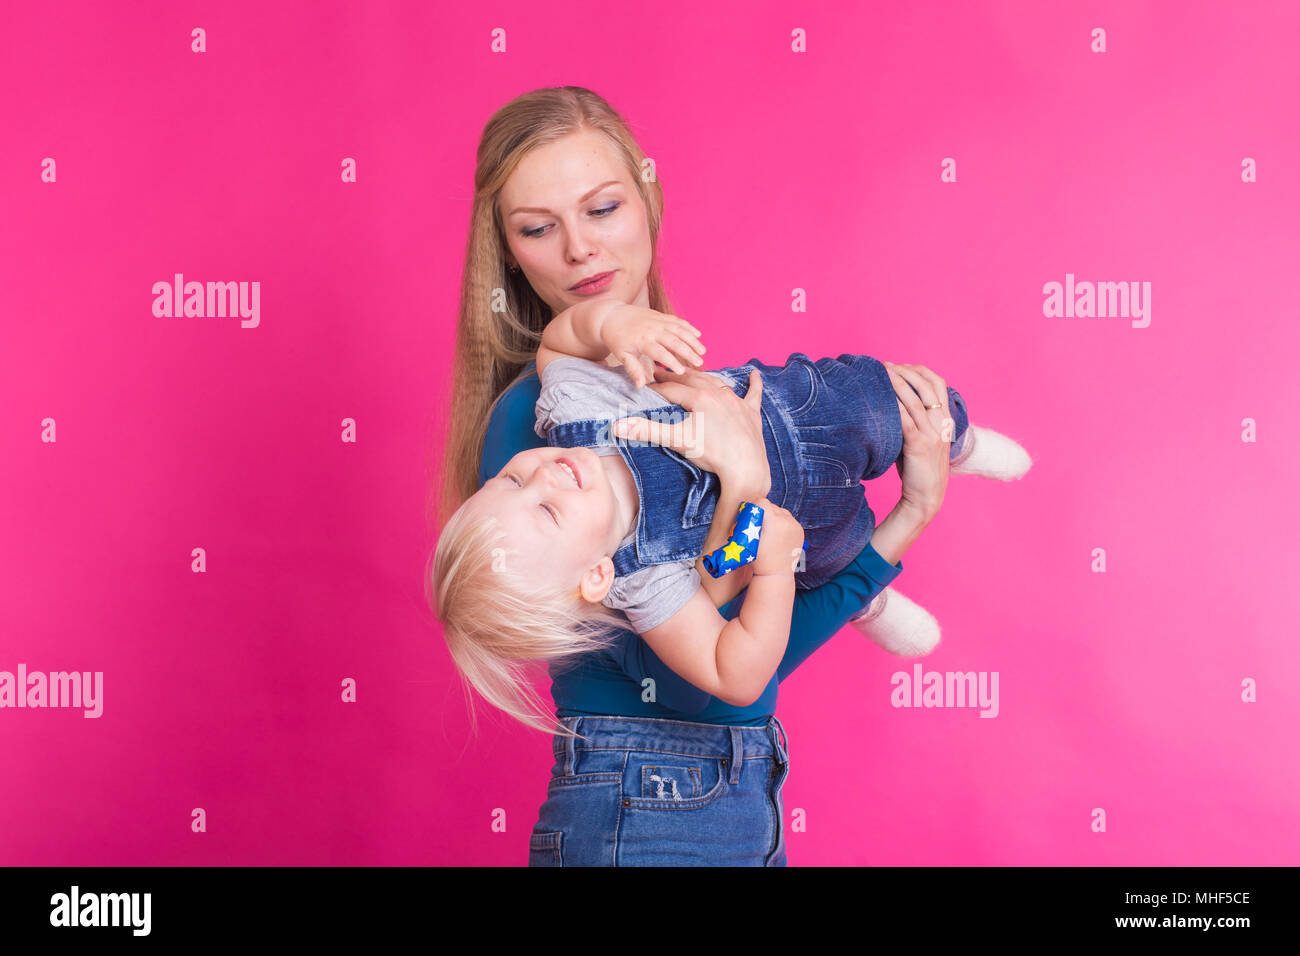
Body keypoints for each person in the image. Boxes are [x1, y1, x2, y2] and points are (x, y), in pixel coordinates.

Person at [430, 85, 989, 865]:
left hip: (720, 789)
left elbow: (756, 628)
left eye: (602, 209)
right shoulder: (542, 433)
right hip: (650, 794)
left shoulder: (667, 392)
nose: (580, 250)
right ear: (510, 250)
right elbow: (709, 674)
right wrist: (747, 489)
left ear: (648, 200)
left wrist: (908, 515)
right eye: (538, 228)